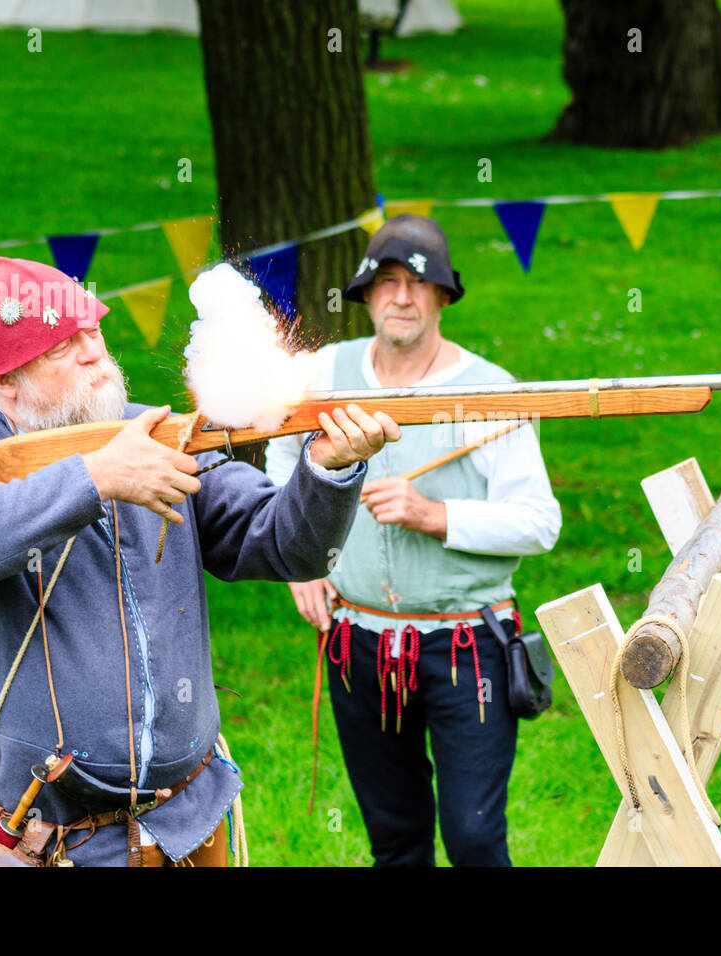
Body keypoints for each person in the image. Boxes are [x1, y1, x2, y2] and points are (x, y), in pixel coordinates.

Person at [0, 255, 399, 866]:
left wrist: (327, 470)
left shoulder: (156, 433)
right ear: (6, 379)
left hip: (185, 821)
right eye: (64, 346)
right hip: (43, 835)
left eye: (93, 332)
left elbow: (286, 546)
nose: (94, 352)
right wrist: (95, 478)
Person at [266, 215, 561, 866]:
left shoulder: (489, 389)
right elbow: (282, 459)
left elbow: (539, 521)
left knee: (473, 838)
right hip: (358, 641)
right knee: (395, 841)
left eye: (418, 283)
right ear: (367, 292)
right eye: (388, 282)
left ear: (443, 296)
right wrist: (298, 562)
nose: (402, 297)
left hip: (466, 644)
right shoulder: (323, 372)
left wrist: (435, 515)